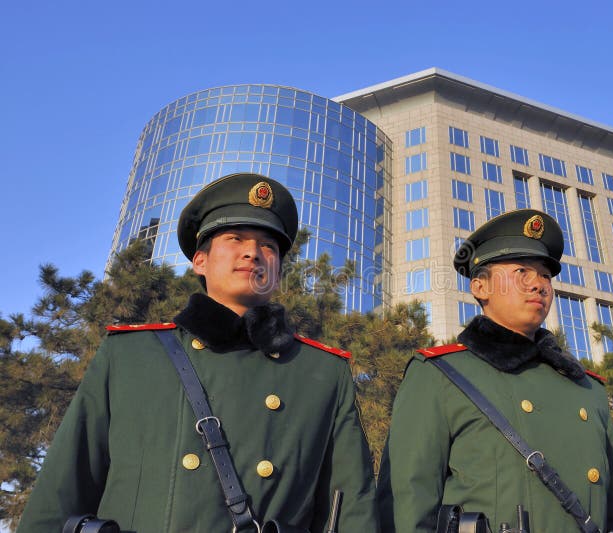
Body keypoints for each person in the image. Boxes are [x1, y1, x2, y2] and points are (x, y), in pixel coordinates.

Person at [18, 173, 379, 532]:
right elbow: (61, 492)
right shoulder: (130, 355)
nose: (253, 252)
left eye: (268, 246)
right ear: (199, 261)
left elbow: (353, 510)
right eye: (235, 238)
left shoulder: (321, 372)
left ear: (278, 270)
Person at [377, 209, 613, 533]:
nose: (539, 285)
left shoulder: (589, 389)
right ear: (480, 287)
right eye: (521, 271)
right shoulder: (439, 375)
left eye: (545, 275)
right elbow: (407, 506)